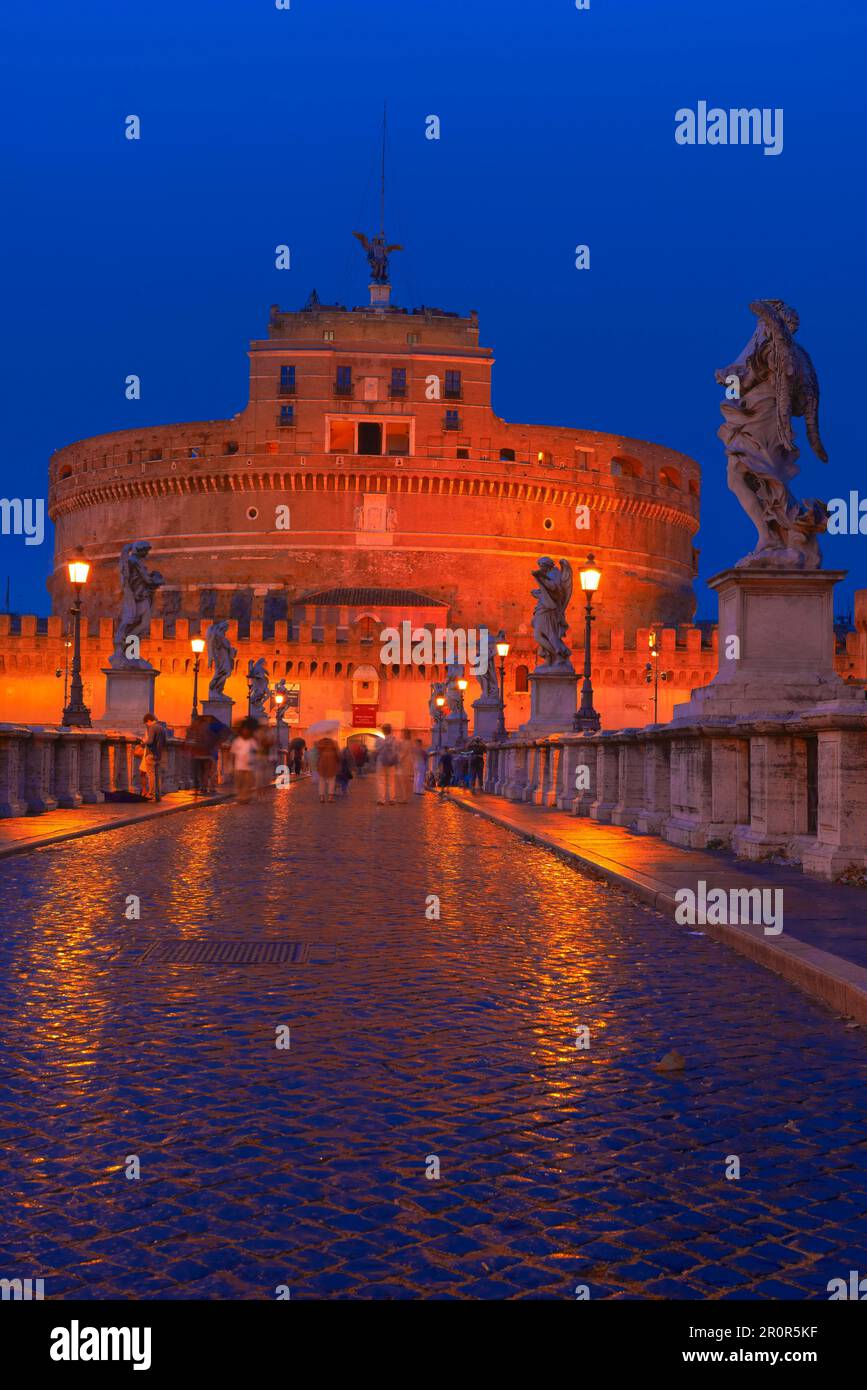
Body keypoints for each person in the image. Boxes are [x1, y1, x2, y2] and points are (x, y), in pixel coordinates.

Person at [139, 711, 167, 802]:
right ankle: (158, 795)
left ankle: (151, 794)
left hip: (151, 754)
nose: (146, 725)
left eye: (146, 723)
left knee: (151, 775)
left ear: (149, 720)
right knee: (157, 775)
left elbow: (150, 741)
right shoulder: (162, 729)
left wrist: (143, 742)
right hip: (159, 755)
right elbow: (165, 742)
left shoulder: (152, 728)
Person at [230, 719, 258, 804]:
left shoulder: (252, 741)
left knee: (248, 783)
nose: (245, 732)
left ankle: (246, 797)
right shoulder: (237, 741)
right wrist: (231, 765)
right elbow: (233, 753)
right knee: (239, 782)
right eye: (244, 730)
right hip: (239, 766)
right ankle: (241, 796)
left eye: (247, 730)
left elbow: (257, 752)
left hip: (250, 766)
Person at [375, 723, 400, 804]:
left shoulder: (379, 740)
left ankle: (381, 799)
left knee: (381, 781)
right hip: (391, 763)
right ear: (391, 730)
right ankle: (392, 799)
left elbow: (377, 751)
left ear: (383, 731)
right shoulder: (395, 740)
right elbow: (397, 752)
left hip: (381, 762)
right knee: (391, 781)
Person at [316, 735, 339, 802]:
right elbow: (338, 754)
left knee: (321, 781)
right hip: (332, 763)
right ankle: (330, 797)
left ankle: (322, 797)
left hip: (322, 763)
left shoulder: (320, 743)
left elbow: (317, 755)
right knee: (331, 781)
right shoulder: (333, 743)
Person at [396, 729, 415, 804]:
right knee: (404, 782)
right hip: (406, 765)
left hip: (404, 765)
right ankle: (404, 797)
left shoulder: (406, 743)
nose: (401, 734)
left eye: (402, 733)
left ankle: (404, 798)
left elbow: (402, 754)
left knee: (403, 783)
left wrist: (397, 758)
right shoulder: (408, 742)